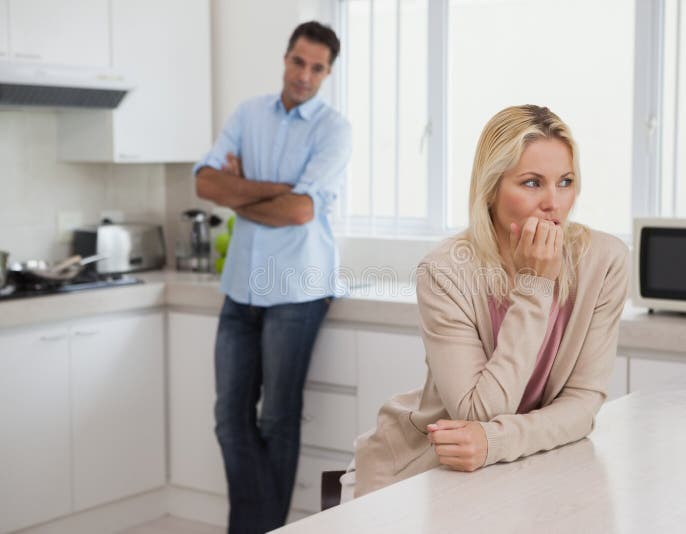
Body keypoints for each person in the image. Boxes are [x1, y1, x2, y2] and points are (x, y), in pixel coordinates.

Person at [347, 104, 629, 498]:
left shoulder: (605, 260)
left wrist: (496, 441)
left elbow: (583, 405)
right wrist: (534, 287)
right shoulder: (445, 271)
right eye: (532, 183)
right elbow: (477, 414)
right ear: (491, 188)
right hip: (423, 470)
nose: (554, 202)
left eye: (565, 181)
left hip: (522, 465)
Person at [192, 21, 351, 533]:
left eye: (317, 67)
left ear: (328, 72)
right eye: (298, 62)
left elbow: (301, 212)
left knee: (276, 420)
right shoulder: (247, 114)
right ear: (285, 58)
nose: (304, 75)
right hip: (240, 286)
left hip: (297, 290)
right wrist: (273, 191)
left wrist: (236, 188)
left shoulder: (333, 129)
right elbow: (203, 181)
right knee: (228, 417)